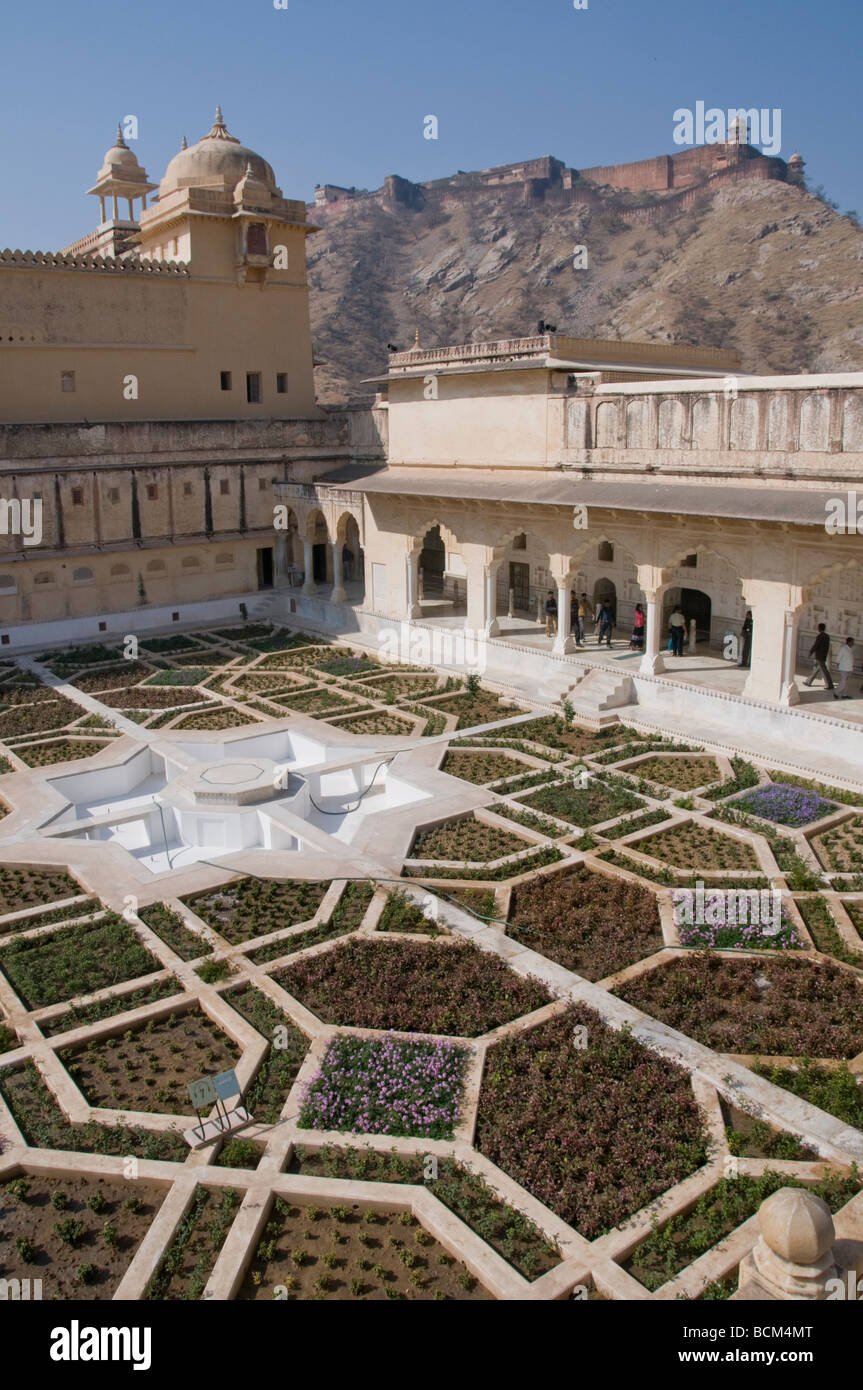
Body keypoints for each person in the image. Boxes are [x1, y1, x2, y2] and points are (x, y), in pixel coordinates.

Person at [804, 623, 837, 697]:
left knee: (824, 670)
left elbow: (816, 645)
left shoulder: (820, 636)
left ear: (819, 628)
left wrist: (810, 652)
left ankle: (830, 685)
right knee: (818, 668)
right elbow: (827, 646)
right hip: (823, 655)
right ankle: (808, 681)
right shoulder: (827, 636)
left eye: (818, 627)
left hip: (819, 656)